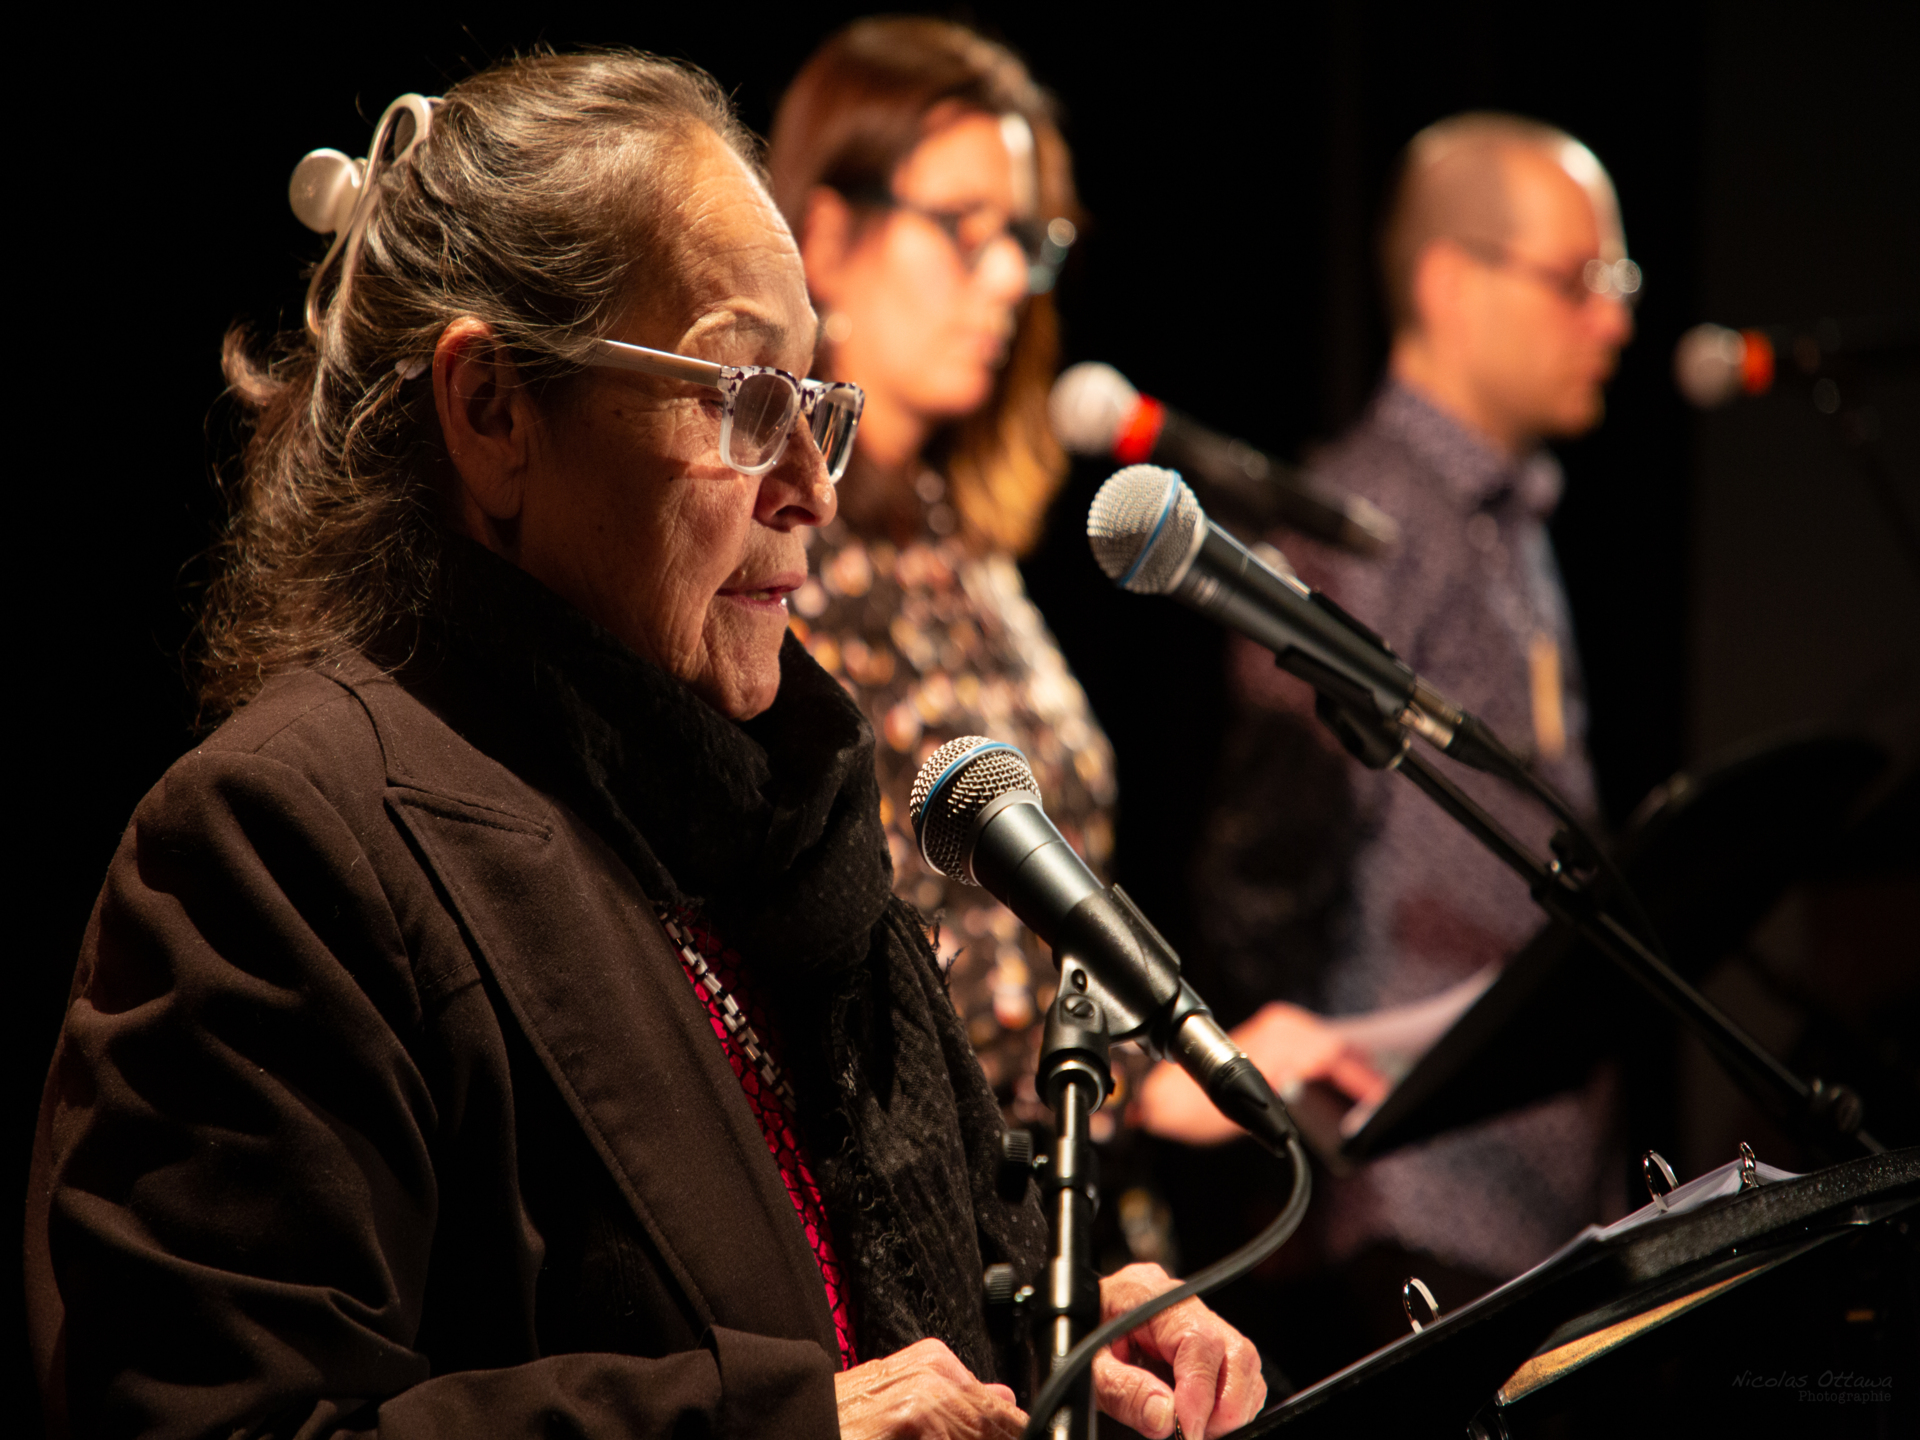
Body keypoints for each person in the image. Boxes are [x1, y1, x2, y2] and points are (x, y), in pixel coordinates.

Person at [24, 51, 1264, 1440]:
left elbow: (925, 1251)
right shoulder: (276, 844)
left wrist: (1081, 1322)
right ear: (493, 411)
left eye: (816, 401)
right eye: (742, 397)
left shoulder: (776, 820)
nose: (808, 489)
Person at [1135, 113, 1636, 1376]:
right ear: (1450, 283)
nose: (1615, 319)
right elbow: (1266, 872)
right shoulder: (1364, 527)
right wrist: (1295, 1182)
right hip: (1407, 1206)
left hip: (1546, 1193)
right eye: (1582, 280)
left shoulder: (1509, 519)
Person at [764, 20, 1124, 1134]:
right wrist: (1151, 1072)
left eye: (1027, 236)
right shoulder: (773, 545)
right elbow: (838, 968)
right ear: (825, 237)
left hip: (1073, 1184)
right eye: (965, 229)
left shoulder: (956, 538)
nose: (1011, 276)